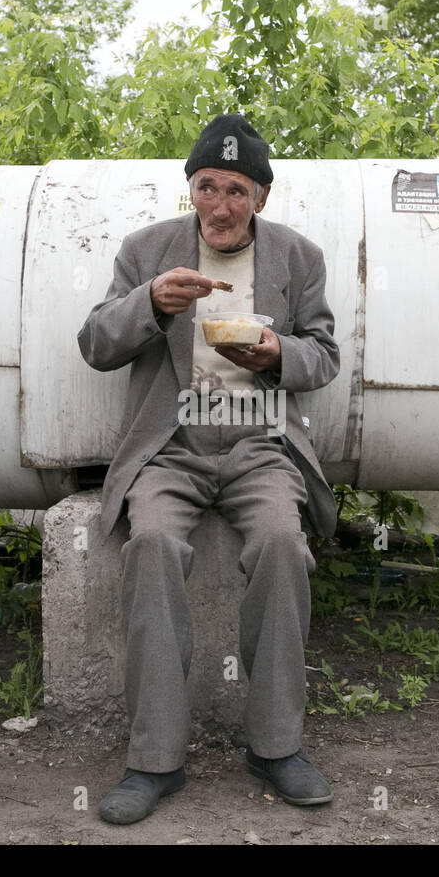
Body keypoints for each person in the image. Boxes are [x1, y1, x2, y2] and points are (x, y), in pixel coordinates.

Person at [77, 113, 340, 825]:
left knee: (283, 545)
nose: (218, 206)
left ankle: (276, 747)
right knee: (154, 543)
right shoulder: (146, 251)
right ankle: (154, 760)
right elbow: (96, 343)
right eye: (205, 187)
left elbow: (324, 355)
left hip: (260, 443)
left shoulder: (297, 257)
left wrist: (278, 354)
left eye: (235, 190)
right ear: (189, 186)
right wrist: (151, 304)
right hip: (171, 443)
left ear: (260, 197)